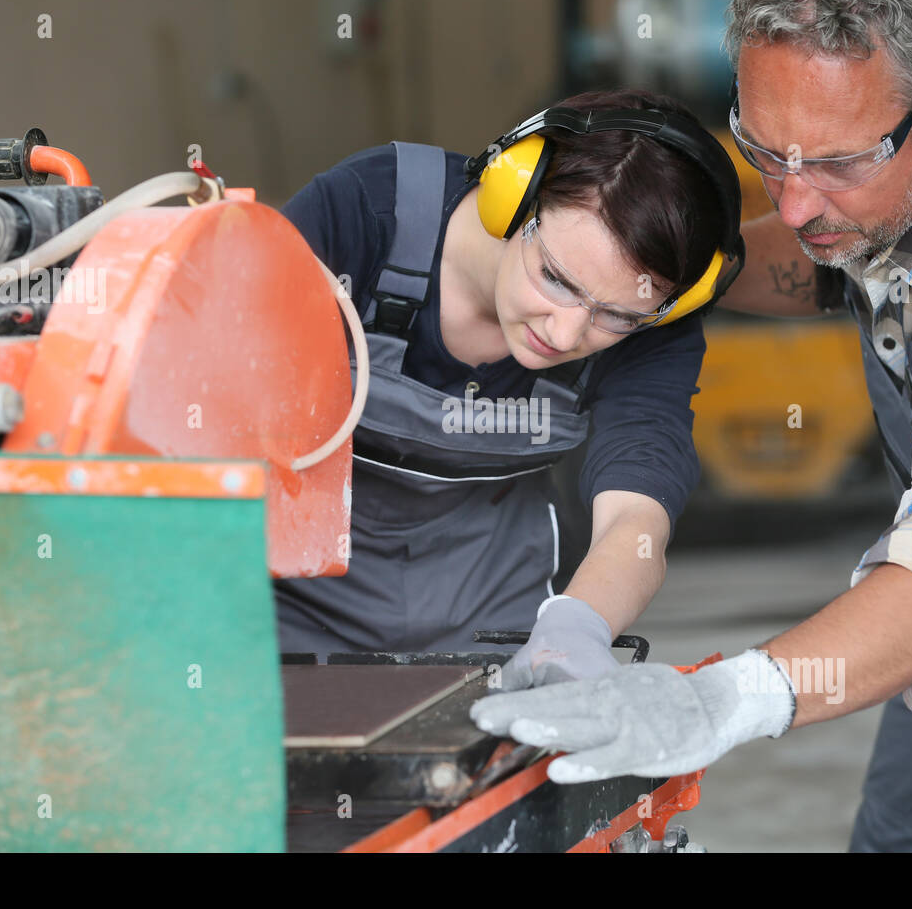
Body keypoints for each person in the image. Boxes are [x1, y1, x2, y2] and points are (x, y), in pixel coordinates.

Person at [473, 0, 912, 852]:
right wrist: (654, 282)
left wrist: (716, 702)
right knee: (895, 839)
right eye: (768, 152)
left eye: (835, 163)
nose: (792, 205)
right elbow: (835, 250)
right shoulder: (902, 134)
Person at [274, 90, 744, 690]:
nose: (568, 332)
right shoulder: (366, 216)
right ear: (511, 198)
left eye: (617, 316)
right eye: (555, 279)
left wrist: (578, 628)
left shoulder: (655, 329)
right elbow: (213, 435)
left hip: (494, 646)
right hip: (291, 630)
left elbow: (635, 514)